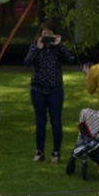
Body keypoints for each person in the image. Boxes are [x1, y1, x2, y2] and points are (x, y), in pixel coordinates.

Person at [24, 23, 79, 162]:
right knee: (40, 122)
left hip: (55, 91)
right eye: (44, 33)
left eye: (50, 33)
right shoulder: (36, 47)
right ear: (40, 34)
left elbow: (70, 59)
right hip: (38, 90)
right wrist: (38, 48)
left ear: (54, 34)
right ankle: (39, 151)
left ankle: (56, 152)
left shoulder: (58, 49)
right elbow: (27, 62)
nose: (47, 36)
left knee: (56, 122)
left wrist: (59, 45)